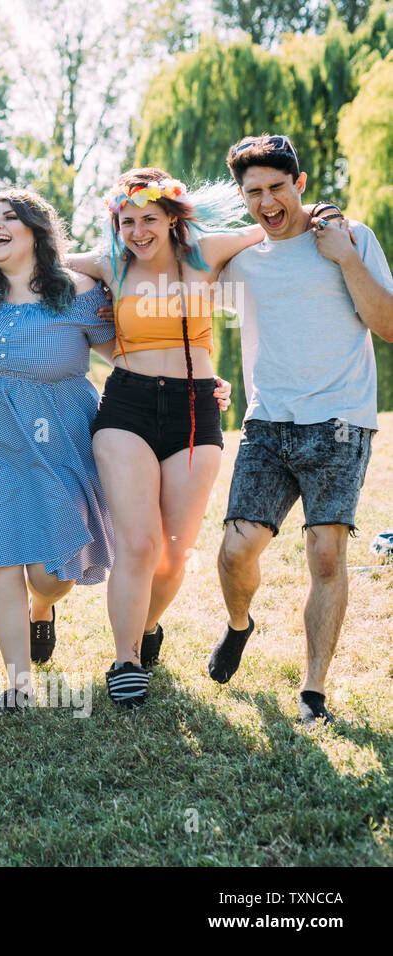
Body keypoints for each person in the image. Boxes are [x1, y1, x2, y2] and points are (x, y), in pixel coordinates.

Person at [210, 134, 393, 724]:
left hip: (340, 422)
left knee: (327, 558)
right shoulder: (241, 262)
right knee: (236, 551)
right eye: (253, 191)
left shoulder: (351, 238)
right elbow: (175, 293)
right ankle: (240, 625)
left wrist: (344, 256)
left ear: (301, 185)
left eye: (277, 187)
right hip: (267, 423)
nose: (267, 201)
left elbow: (386, 324)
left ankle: (313, 691)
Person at [68, 170, 256, 707]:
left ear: (173, 218)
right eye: (127, 221)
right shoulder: (112, 265)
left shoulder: (205, 255)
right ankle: (126, 659)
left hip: (194, 408)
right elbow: (41, 260)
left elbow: (269, 228)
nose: (138, 230)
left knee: (173, 552)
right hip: (125, 405)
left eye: (150, 218)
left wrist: (326, 218)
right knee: (140, 543)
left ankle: (147, 625)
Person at [0, 190, 116, 711]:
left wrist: (195, 378)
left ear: (36, 231)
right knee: (0, 562)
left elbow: (125, 354)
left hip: (60, 446)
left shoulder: (78, 293)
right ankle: (17, 683)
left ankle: (43, 607)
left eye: (8, 218)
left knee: (48, 572)